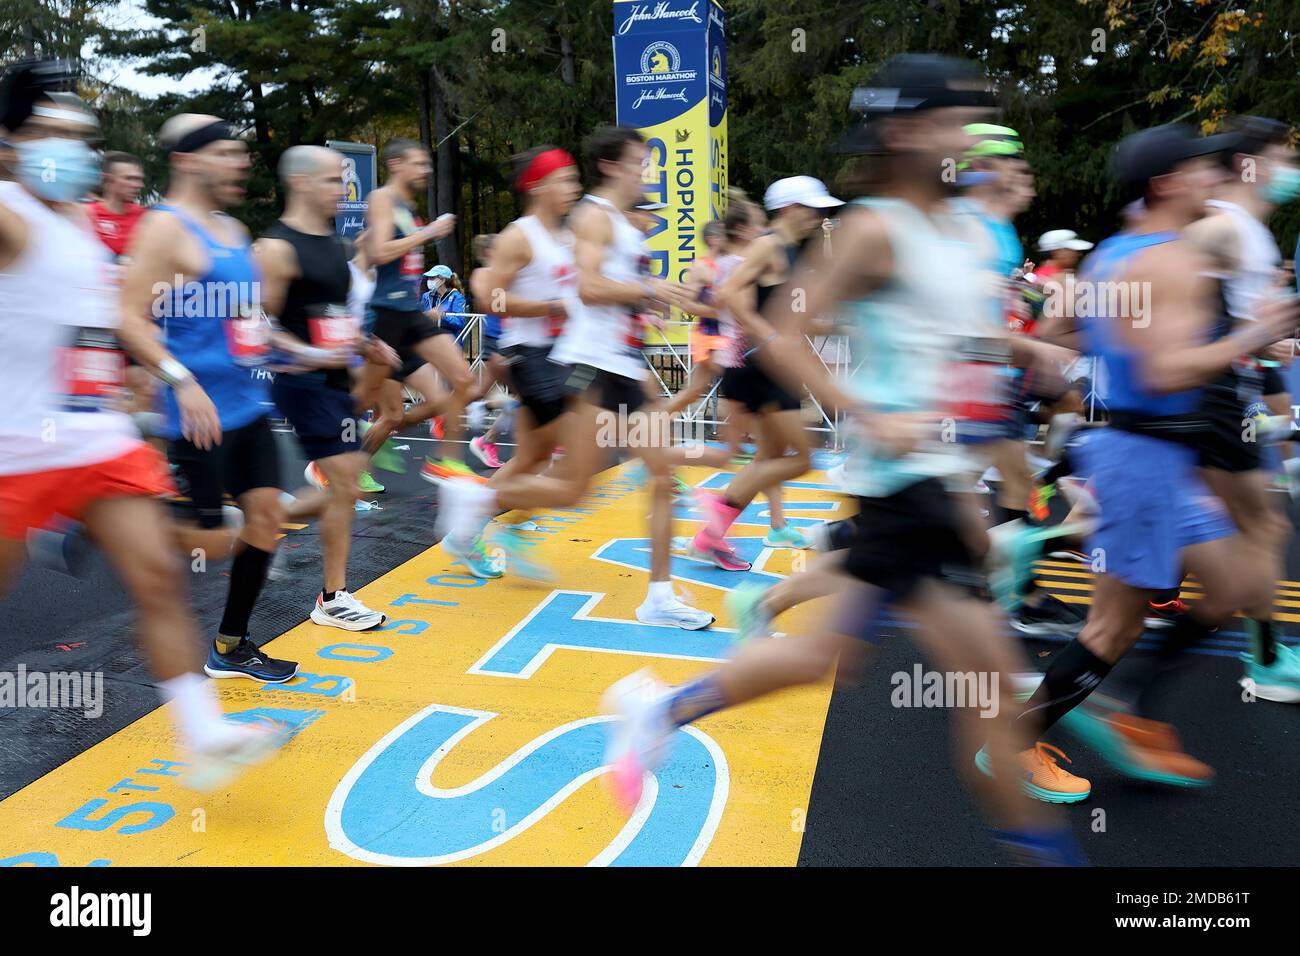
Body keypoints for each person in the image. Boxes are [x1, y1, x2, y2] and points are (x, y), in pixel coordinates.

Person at [603, 55, 1088, 863]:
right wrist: (869, 413)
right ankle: (1048, 852)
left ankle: (659, 711)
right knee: (992, 685)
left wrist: (1019, 348)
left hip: (936, 479)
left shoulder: (961, 229)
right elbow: (788, 333)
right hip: (905, 485)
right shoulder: (873, 228)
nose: (967, 138)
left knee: (835, 658)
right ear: (904, 132)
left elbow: (948, 339)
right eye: (952, 122)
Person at [0, 60, 282, 789]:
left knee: (160, 575)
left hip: (95, 437)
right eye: (46, 134)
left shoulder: (83, 223)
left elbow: (98, 324)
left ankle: (204, 734)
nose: (69, 149)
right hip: (14, 448)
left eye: (77, 135)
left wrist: (133, 384)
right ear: (9, 144)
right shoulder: (9, 210)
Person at [1015, 123, 1297, 789]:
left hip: (1159, 456)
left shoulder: (1117, 252)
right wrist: (1253, 335)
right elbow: (1167, 372)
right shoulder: (1166, 262)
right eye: (1204, 170)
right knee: (1113, 627)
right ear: (1166, 182)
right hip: (1142, 456)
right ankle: (1016, 743)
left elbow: (1062, 328)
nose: (1216, 179)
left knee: (1233, 586)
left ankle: (1131, 711)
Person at [439, 127, 722, 628]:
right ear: (612, 166)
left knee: (652, 474)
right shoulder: (578, 220)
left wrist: (648, 301)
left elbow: (600, 288)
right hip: (572, 363)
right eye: (641, 161)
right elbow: (519, 294)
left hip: (616, 363)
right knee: (572, 485)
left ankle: (658, 598)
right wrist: (636, 289)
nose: (649, 171)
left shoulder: (591, 226)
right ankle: (483, 500)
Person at [116, 113, 299, 684]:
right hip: (197, 411)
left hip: (248, 406)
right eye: (226, 152)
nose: (240, 163)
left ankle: (231, 646)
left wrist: (283, 346)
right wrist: (181, 381)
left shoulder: (235, 232)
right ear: (188, 161)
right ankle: (100, 520)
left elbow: (245, 317)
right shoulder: (164, 228)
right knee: (214, 544)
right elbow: (126, 317)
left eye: (241, 153)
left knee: (267, 520)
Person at [1184, 115, 1300, 700]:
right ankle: (1265, 660)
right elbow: (1170, 281)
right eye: (1282, 158)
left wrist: (1266, 337)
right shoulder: (1224, 228)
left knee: (1244, 526)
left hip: (1235, 397)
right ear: (1249, 165)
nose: (1290, 172)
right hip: (1217, 399)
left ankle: (1265, 654)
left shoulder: (1254, 232)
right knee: (1263, 525)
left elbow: (1249, 326)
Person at [255, 144, 394, 631]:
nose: (344, 190)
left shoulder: (336, 247)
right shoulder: (277, 248)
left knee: (345, 485)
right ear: (301, 182)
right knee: (345, 483)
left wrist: (368, 344)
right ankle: (332, 598)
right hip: (303, 382)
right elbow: (258, 325)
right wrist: (313, 355)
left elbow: (334, 319)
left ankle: (268, 523)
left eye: (344, 180)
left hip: (336, 381)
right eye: (334, 181)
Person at [691, 175, 844, 570]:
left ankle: (712, 533)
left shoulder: (791, 251)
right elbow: (728, 294)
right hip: (762, 366)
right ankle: (718, 504)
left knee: (771, 456)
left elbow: (789, 313)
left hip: (765, 363)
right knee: (802, 458)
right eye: (814, 209)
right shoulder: (768, 245)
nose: (818, 217)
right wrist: (770, 337)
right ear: (791, 209)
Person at [356, 138, 477, 483]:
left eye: (427, 164)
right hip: (385, 313)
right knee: (371, 406)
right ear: (396, 165)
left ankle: (445, 461)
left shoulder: (408, 206)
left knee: (464, 382)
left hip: (409, 313)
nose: (426, 170)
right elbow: (379, 252)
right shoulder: (383, 198)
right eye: (418, 163)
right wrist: (427, 233)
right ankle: (337, 462)